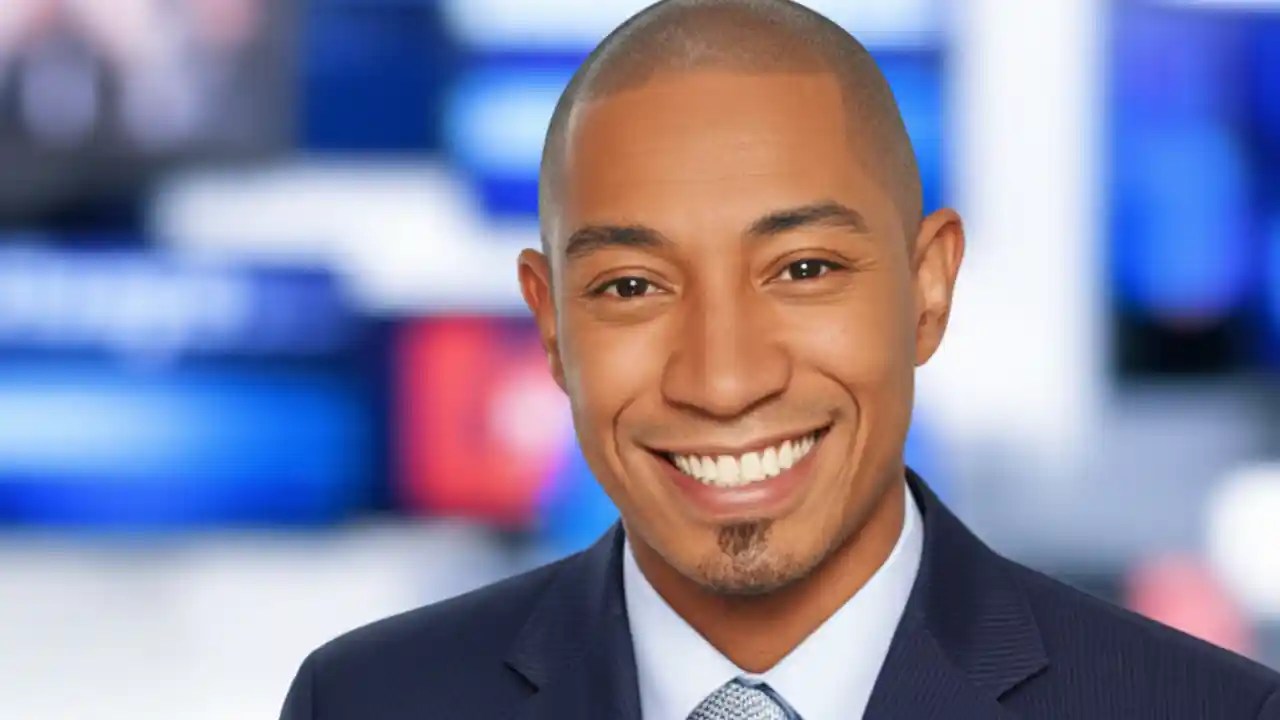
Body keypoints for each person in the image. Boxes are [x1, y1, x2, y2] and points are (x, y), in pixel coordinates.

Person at [280, 1, 1280, 718]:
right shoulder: (368, 702)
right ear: (548, 325)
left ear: (927, 287)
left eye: (801, 269)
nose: (722, 379)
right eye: (631, 286)